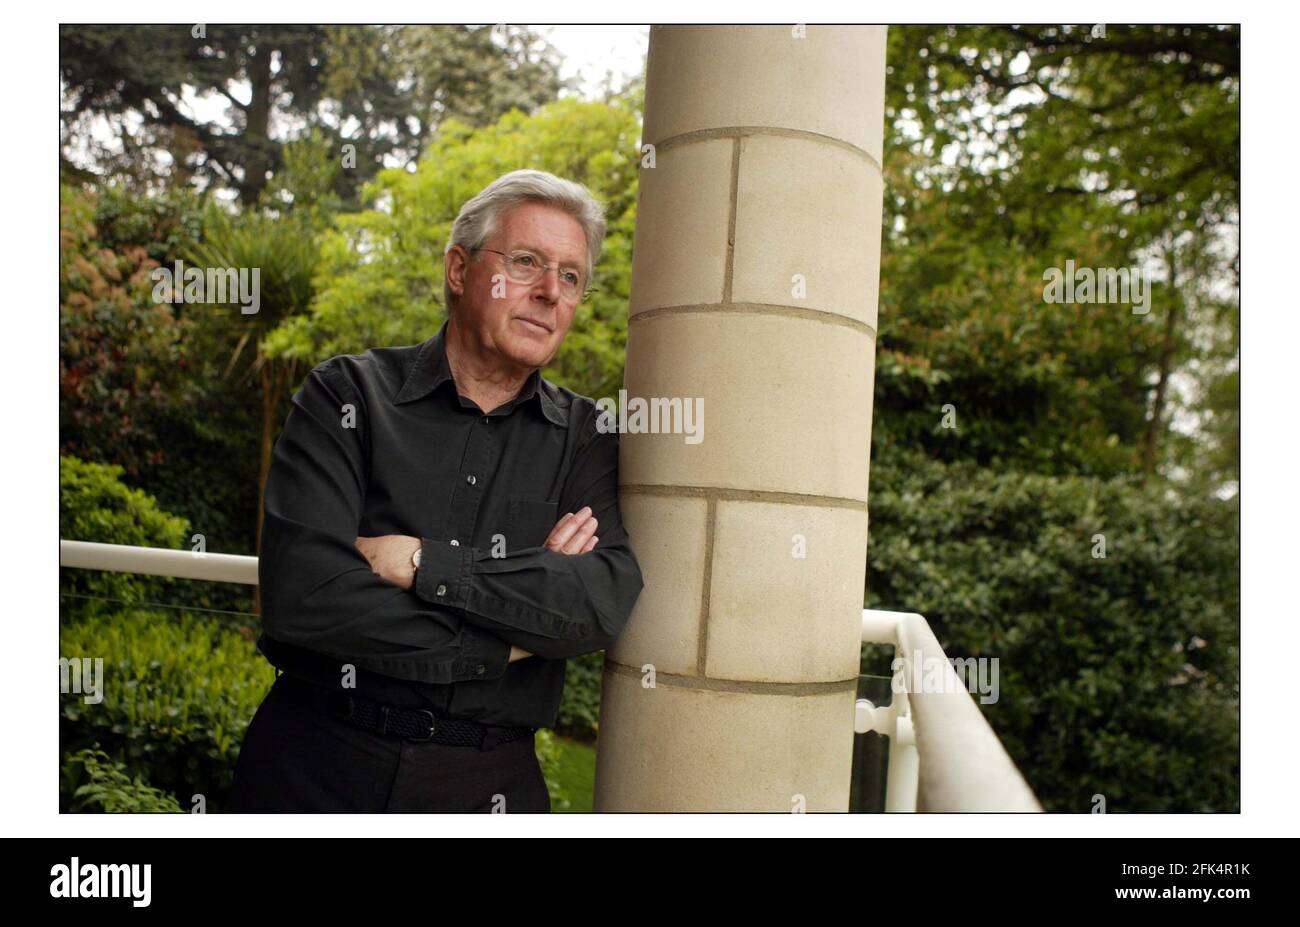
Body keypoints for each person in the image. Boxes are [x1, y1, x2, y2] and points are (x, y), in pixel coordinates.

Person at [228, 169, 645, 813]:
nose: (549, 293)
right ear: (459, 269)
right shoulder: (347, 398)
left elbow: (596, 604)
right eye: (528, 262)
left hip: (487, 788)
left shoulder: (587, 437)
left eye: (570, 277)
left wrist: (421, 563)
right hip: (314, 768)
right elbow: (307, 595)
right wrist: (511, 634)